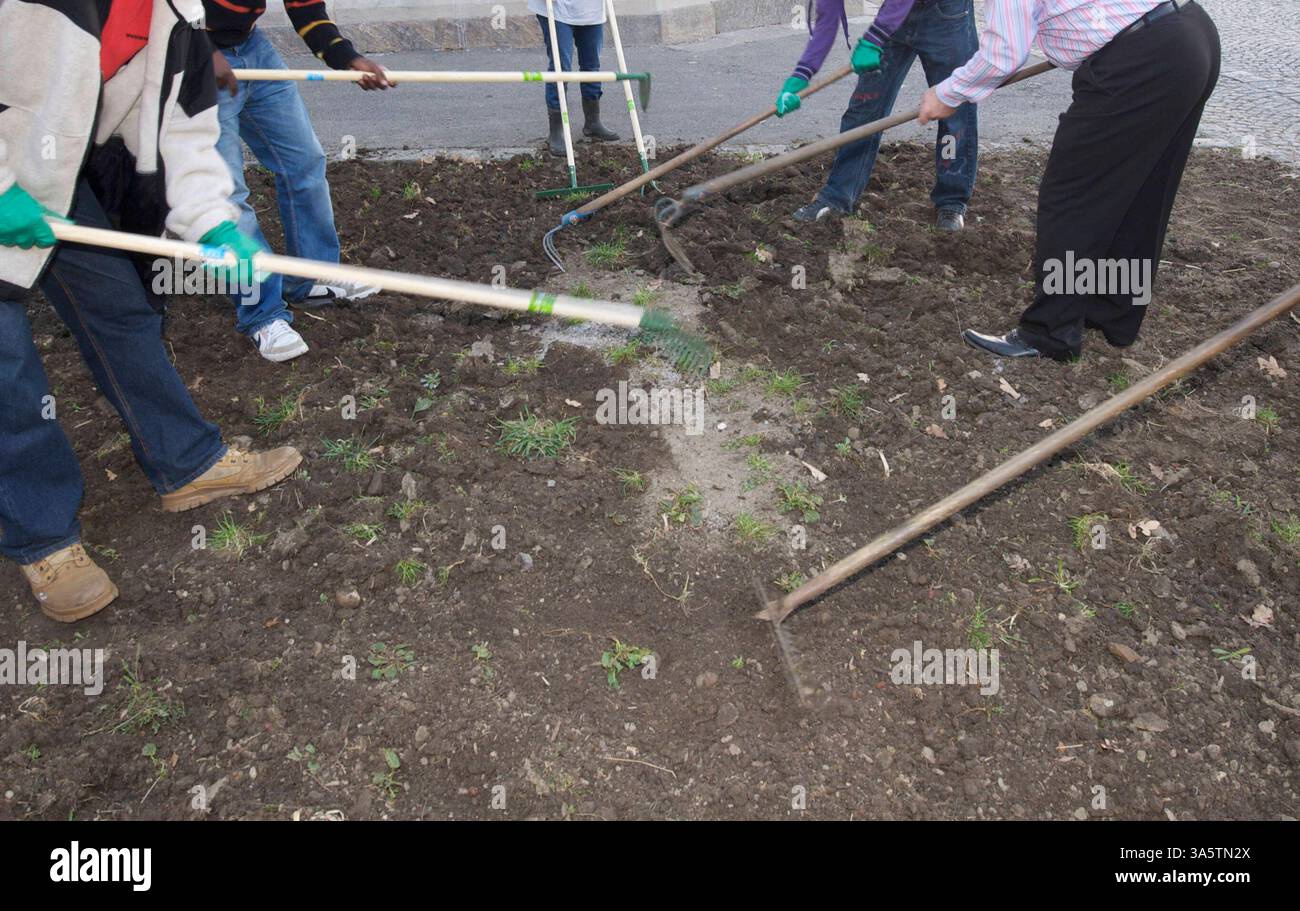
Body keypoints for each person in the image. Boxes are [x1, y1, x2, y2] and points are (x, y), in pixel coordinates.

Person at [0, 0, 302, 623]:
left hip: (52, 177)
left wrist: (213, 224)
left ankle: (186, 462)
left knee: (119, 310)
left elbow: (186, 131)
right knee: (9, 374)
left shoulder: (177, 13)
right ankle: (45, 539)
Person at [922, 0, 1220, 361]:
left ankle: (1050, 332)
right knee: (1141, 191)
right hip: (1188, 36)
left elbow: (1002, 54)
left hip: (1141, 60)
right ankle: (1112, 311)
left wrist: (948, 93)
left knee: (1071, 196)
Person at [204, 0, 392, 362]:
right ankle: (262, 314)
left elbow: (306, 9)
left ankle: (311, 276)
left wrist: (348, 58)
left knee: (303, 161)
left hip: (253, 49)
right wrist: (198, 50)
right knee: (225, 195)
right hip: (190, 57)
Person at [775, 0, 979, 232]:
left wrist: (874, 38)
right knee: (865, 107)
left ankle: (951, 201)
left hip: (947, 14)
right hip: (893, 15)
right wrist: (802, 74)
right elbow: (828, 16)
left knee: (954, 110)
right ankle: (837, 196)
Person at [530, 0, 621, 158]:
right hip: (556, 10)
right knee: (560, 68)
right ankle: (556, 131)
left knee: (592, 65)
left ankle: (592, 122)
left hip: (591, 11)